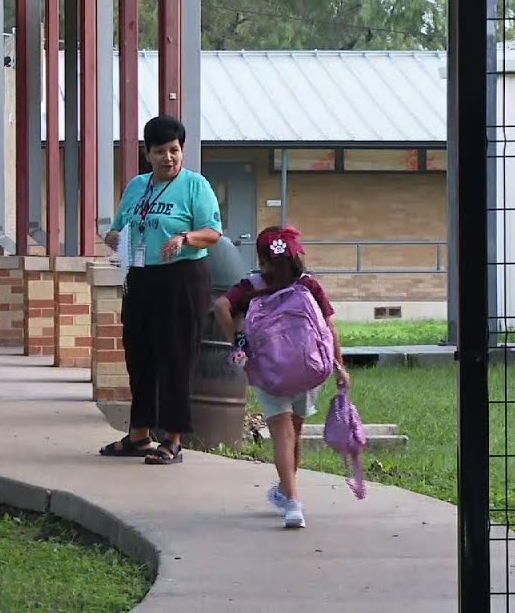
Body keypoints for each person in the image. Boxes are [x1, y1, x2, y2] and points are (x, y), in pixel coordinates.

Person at [98, 115, 223, 465]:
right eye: (160, 151)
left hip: (181, 278)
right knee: (139, 357)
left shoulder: (195, 186)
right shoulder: (137, 186)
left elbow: (213, 233)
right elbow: (119, 228)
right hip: (140, 277)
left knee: (176, 358)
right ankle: (139, 434)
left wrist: (185, 238)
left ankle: (173, 439)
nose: (168, 158)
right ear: (146, 153)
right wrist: (112, 238)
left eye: (174, 150)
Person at [213, 225, 348, 529]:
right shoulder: (309, 285)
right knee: (294, 432)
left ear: (263, 260)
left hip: (270, 368)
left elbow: (221, 306)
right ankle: (288, 493)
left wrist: (236, 340)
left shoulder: (253, 285)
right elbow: (329, 327)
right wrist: (340, 366)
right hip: (308, 367)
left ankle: (292, 502)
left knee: (282, 434)